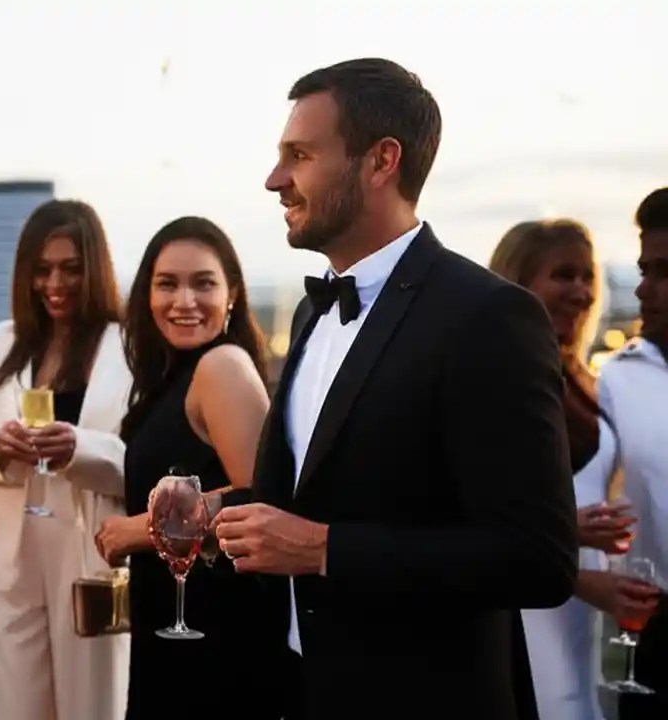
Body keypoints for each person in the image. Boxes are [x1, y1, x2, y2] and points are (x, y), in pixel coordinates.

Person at [215, 58, 578, 720]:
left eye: (299, 155)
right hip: (302, 692)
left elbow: (538, 559)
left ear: (381, 161)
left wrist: (325, 550)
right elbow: (314, 495)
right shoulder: (310, 313)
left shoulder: (489, 317)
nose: (275, 180)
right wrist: (215, 508)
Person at [96, 216, 285, 719]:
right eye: (167, 284)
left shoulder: (221, 366)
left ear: (232, 294)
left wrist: (136, 532)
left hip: (218, 634)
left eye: (203, 283)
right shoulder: (172, 375)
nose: (184, 301)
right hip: (173, 623)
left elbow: (263, 501)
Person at [0, 199, 130, 720]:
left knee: (94, 707)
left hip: (92, 556)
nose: (55, 283)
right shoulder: (0, 342)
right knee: (10, 707)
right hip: (12, 558)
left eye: (72, 269)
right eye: (43, 269)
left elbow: (146, 459)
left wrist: (80, 448)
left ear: (95, 269)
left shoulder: (129, 344)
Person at [490, 219, 659, 720]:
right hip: (533, 603)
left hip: (586, 606)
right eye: (563, 276)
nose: (581, 292)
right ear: (518, 283)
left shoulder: (584, 377)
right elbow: (482, 513)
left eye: (587, 277)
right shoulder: (497, 378)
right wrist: (577, 563)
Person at [599, 187, 668, 699]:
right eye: (646, 272)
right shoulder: (614, 381)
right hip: (658, 634)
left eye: (665, 274)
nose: (645, 291)